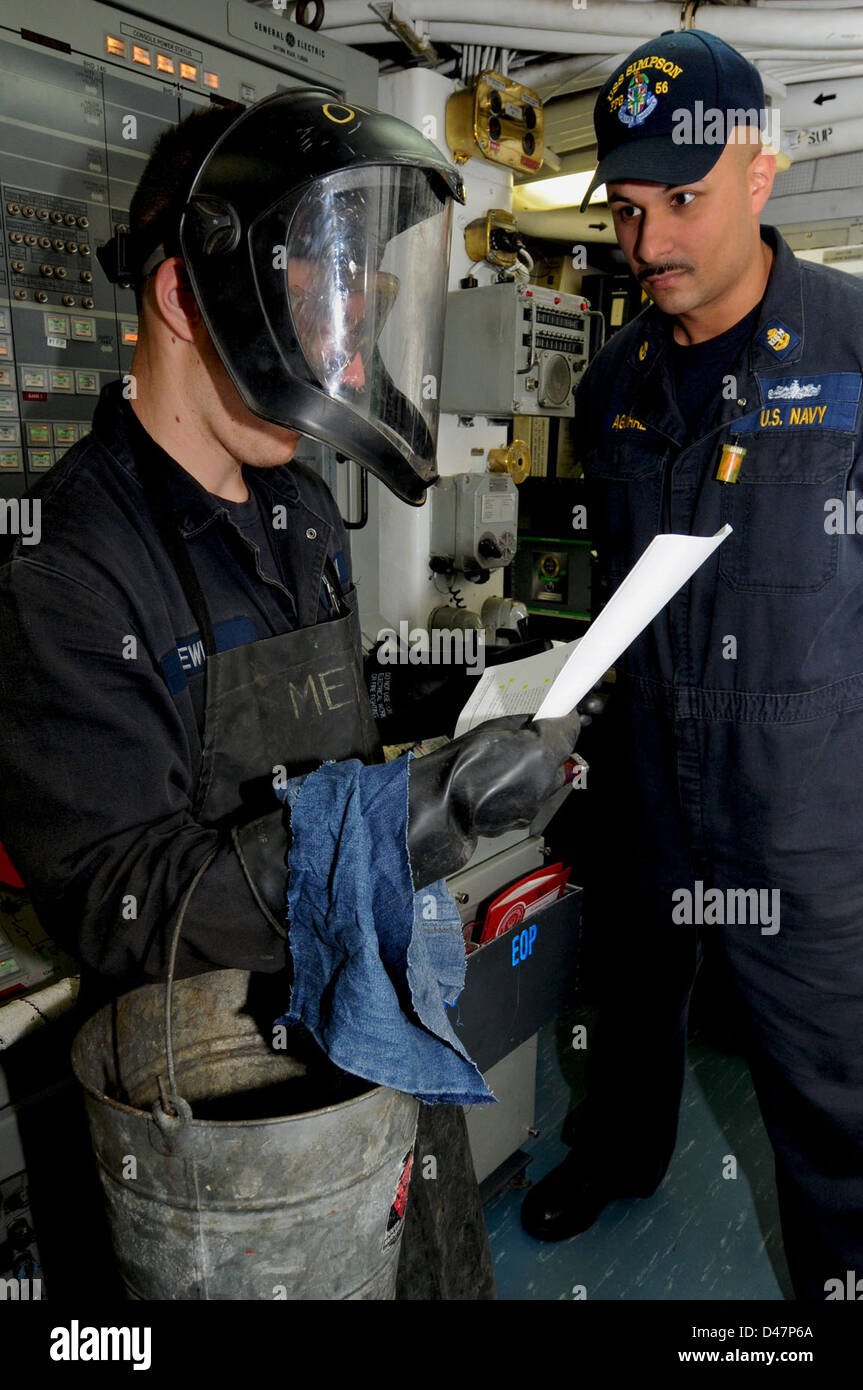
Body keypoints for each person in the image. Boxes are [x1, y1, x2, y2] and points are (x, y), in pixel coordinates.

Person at [0, 90, 580, 1300]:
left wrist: (466, 700)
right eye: (315, 295)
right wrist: (401, 824)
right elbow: (119, 899)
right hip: (207, 1117)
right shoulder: (64, 564)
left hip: (359, 1020)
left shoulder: (296, 502)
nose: (342, 337)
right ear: (181, 295)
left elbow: (326, 702)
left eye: (352, 299)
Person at [520, 29, 863, 1303]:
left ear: (760, 175)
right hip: (649, 775)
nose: (648, 239)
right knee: (626, 997)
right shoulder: (612, 381)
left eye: (683, 200)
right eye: (625, 206)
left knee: (832, 1076)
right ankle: (616, 1153)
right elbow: (611, 593)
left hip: (806, 797)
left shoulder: (849, 352)